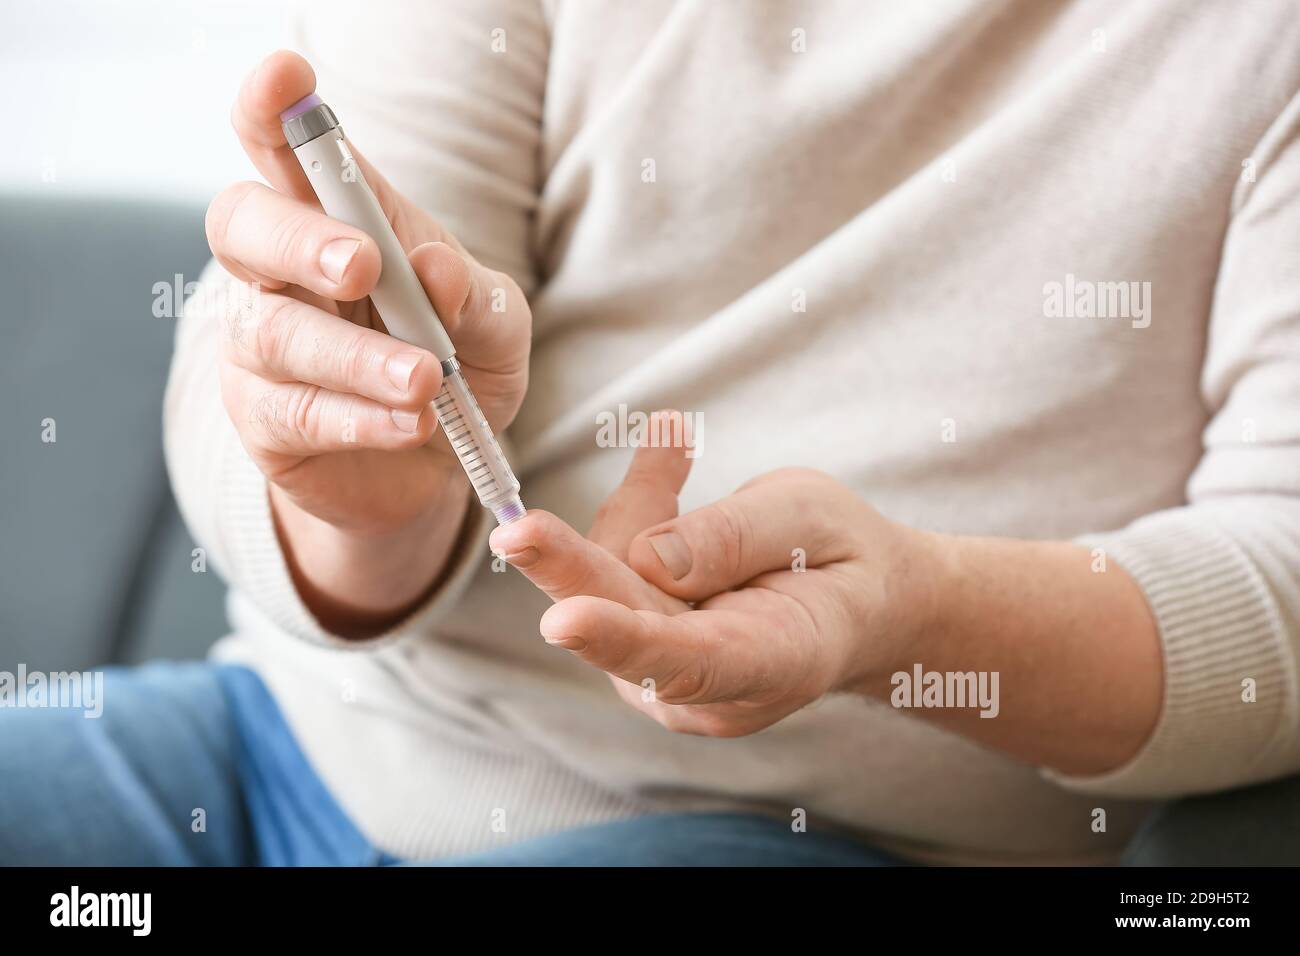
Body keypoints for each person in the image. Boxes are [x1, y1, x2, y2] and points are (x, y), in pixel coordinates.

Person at [4, 0, 1300, 867]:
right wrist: (368, 501)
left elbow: (1280, 591)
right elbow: (273, 350)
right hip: (278, 741)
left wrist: (909, 618)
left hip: (792, 836)